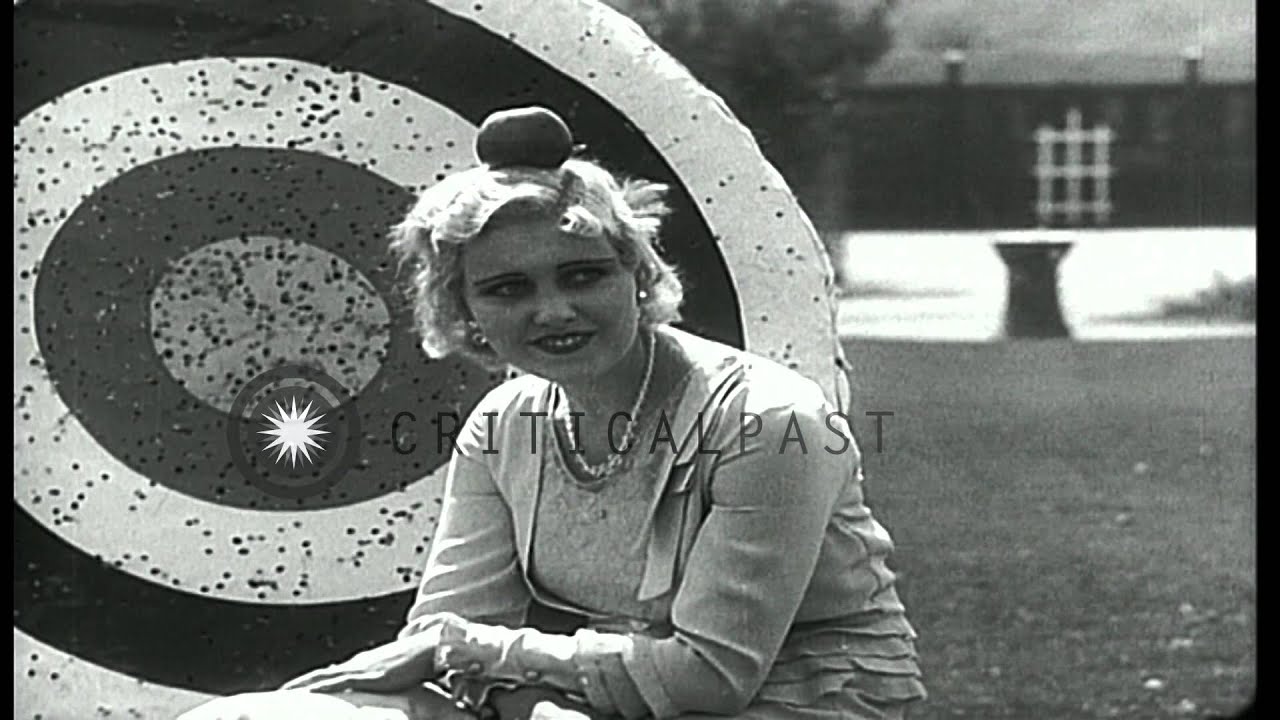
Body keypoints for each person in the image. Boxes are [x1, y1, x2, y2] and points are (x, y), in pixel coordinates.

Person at [177, 106, 925, 720]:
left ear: (638, 275)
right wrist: (495, 685)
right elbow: (448, 637)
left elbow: (711, 677)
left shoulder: (771, 420)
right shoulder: (503, 426)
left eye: (584, 275)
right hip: (585, 697)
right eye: (507, 290)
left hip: (802, 701)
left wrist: (491, 664)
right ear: (462, 311)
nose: (554, 311)